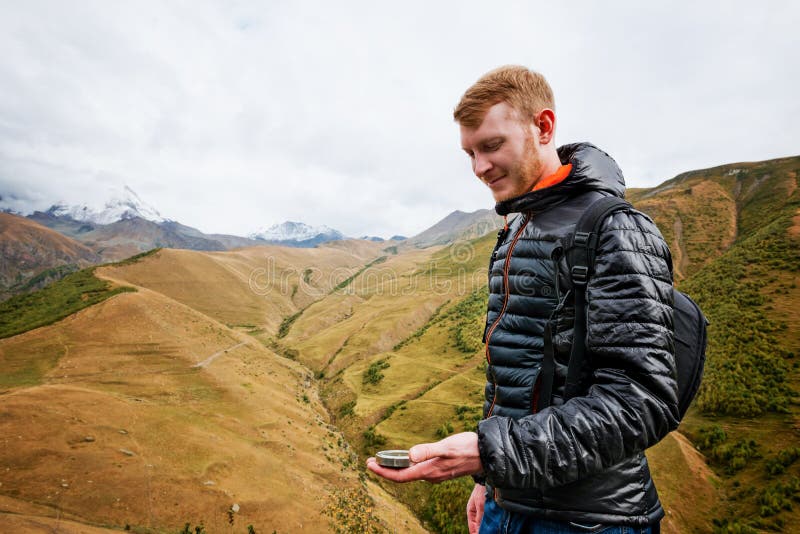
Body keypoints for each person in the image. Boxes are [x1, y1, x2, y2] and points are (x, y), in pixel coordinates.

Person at [367, 65, 678, 534]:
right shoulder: (518, 226)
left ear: (544, 127)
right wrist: (489, 480)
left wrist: (488, 453)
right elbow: (514, 379)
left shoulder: (615, 228)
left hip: (589, 521)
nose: (479, 167)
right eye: (469, 153)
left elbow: (643, 400)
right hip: (511, 502)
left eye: (492, 146)